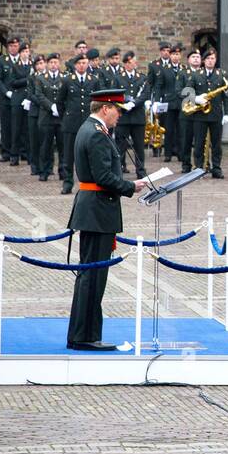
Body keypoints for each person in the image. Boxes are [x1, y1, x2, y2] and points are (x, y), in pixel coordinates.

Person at [65, 89, 146, 351]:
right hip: (98, 211)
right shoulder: (97, 135)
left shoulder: (88, 128)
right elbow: (103, 177)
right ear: (105, 108)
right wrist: (131, 186)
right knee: (93, 275)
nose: (119, 116)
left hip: (93, 210)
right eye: (117, 111)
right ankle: (85, 336)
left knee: (91, 274)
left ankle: (84, 333)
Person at [186, 48, 228, 179]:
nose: (210, 61)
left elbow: (226, 96)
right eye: (208, 59)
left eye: (213, 59)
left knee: (217, 144)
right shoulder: (196, 75)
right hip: (200, 114)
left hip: (216, 114)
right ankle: (199, 168)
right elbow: (188, 92)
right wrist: (196, 98)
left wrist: (227, 113)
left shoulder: (221, 74)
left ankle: (216, 168)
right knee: (199, 143)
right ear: (204, 60)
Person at [56, 55, 96, 193]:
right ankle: (67, 183)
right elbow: (60, 102)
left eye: (84, 63)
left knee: (90, 153)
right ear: (75, 65)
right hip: (71, 123)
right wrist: (65, 118)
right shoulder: (67, 80)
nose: (82, 65)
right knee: (68, 155)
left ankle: (89, 182)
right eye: (79, 63)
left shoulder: (93, 80)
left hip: (88, 123)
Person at [115, 51, 150, 180]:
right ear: (124, 64)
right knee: (120, 147)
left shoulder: (142, 78)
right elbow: (116, 94)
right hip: (123, 117)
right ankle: (118, 171)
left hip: (137, 117)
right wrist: (125, 102)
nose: (130, 65)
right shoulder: (118, 78)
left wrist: (134, 103)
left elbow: (145, 94)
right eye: (128, 63)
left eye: (132, 62)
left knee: (139, 147)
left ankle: (141, 171)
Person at [32, 53, 63, 182]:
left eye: (56, 62)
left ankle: (63, 171)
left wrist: (59, 107)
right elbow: (39, 95)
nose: (54, 65)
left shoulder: (64, 78)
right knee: (45, 146)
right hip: (46, 117)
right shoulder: (40, 78)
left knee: (63, 146)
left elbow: (67, 96)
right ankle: (44, 171)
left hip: (61, 118)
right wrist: (51, 107)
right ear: (47, 64)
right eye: (51, 62)